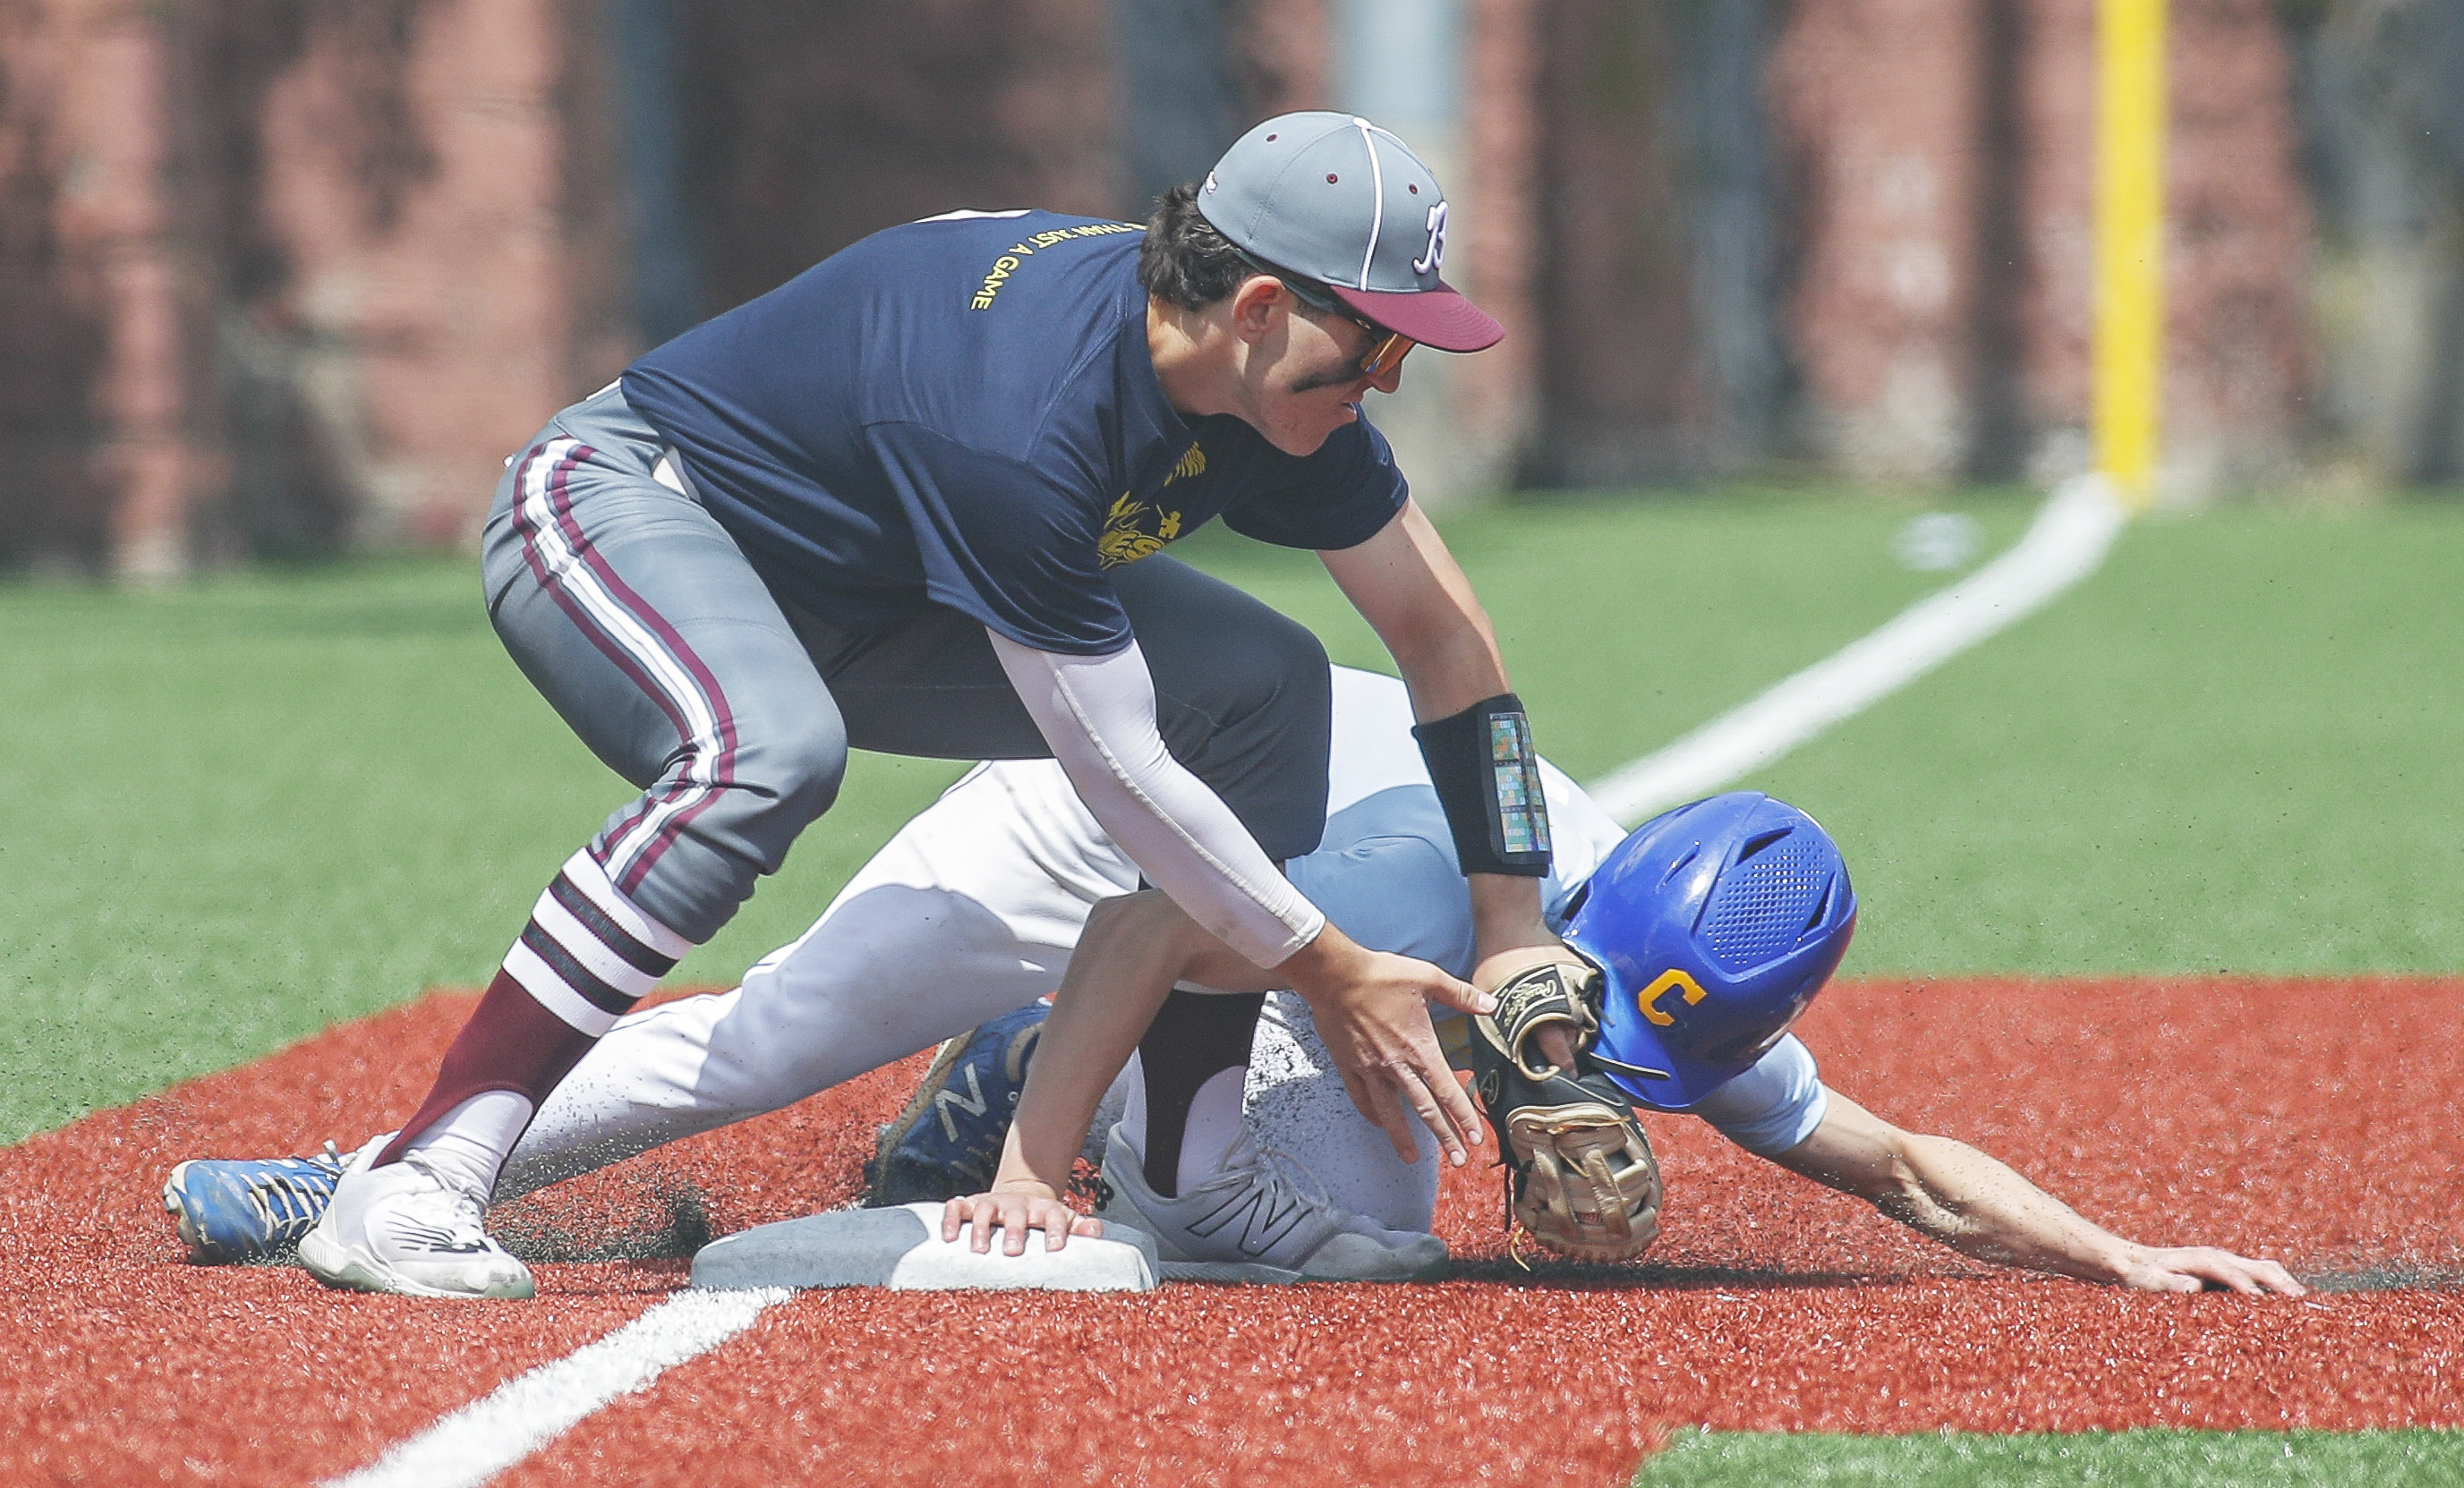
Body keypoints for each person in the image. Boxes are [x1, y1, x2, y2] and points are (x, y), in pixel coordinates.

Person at [279, 111, 1610, 1300]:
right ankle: (415, 1179)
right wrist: (1331, 966)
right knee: (765, 758)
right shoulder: (1022, 414)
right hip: (630, 503)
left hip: (877, 586)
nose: (1385, 382)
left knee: (1261, 687)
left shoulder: (1271, 397)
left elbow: (1445, 639)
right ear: (1258, 304)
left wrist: (1505, 924)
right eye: (1373, 340)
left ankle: (1191, 1171)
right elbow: (1117, 774)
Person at [168, 668, 2305, 1296]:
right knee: (771, 1043)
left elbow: (1900, 1159)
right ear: (1580, 923)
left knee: (1353, 1225)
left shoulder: (1666, 970)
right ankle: (345, 1175)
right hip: (1087, 854)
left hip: (1230, 928)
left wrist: (2122, 1256)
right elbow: (1166, 925)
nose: (1585, 1083)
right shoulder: (1434, 857)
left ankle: (1090, 1119)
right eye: (1580, 1028)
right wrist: (1023, 1147)